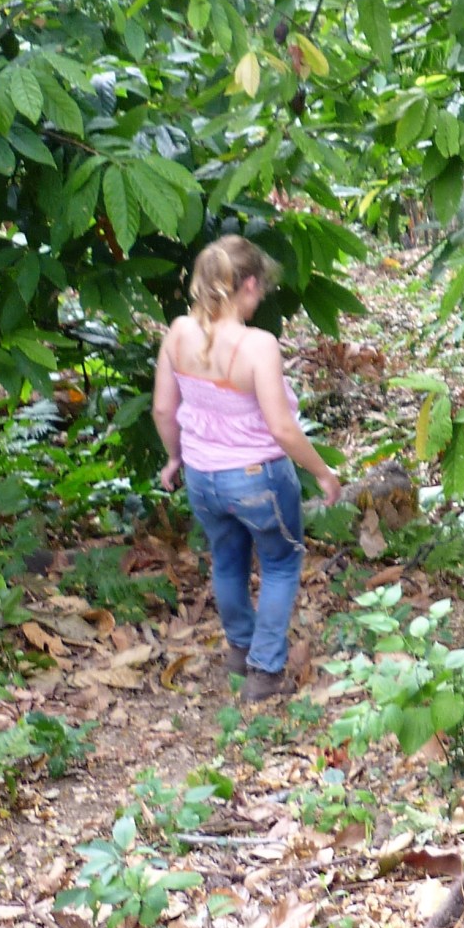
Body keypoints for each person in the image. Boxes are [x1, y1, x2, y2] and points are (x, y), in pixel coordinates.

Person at [152, 236, 341, 703]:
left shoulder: (177, 332)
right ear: (249, 285)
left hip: (202, 476)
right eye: (262, 290)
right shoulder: (258, 345)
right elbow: (281, 426)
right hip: (257, 476)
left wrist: (175, 457)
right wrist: (321, 472)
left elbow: (162, 408)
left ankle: (240, 649)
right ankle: (264, 669)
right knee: (279, 565)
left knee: (228, 561)